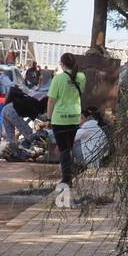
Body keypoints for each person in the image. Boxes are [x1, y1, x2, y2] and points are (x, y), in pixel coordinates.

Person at [44, 53, 86, 193]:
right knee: (69, 146)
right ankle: (70, 174)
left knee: (64, 149)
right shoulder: (81, 77)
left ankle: (66, 178)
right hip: (74, 117)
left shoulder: (58, 78)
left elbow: (51, 100)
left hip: (60, 118)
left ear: (62, 64)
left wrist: (49, 119)